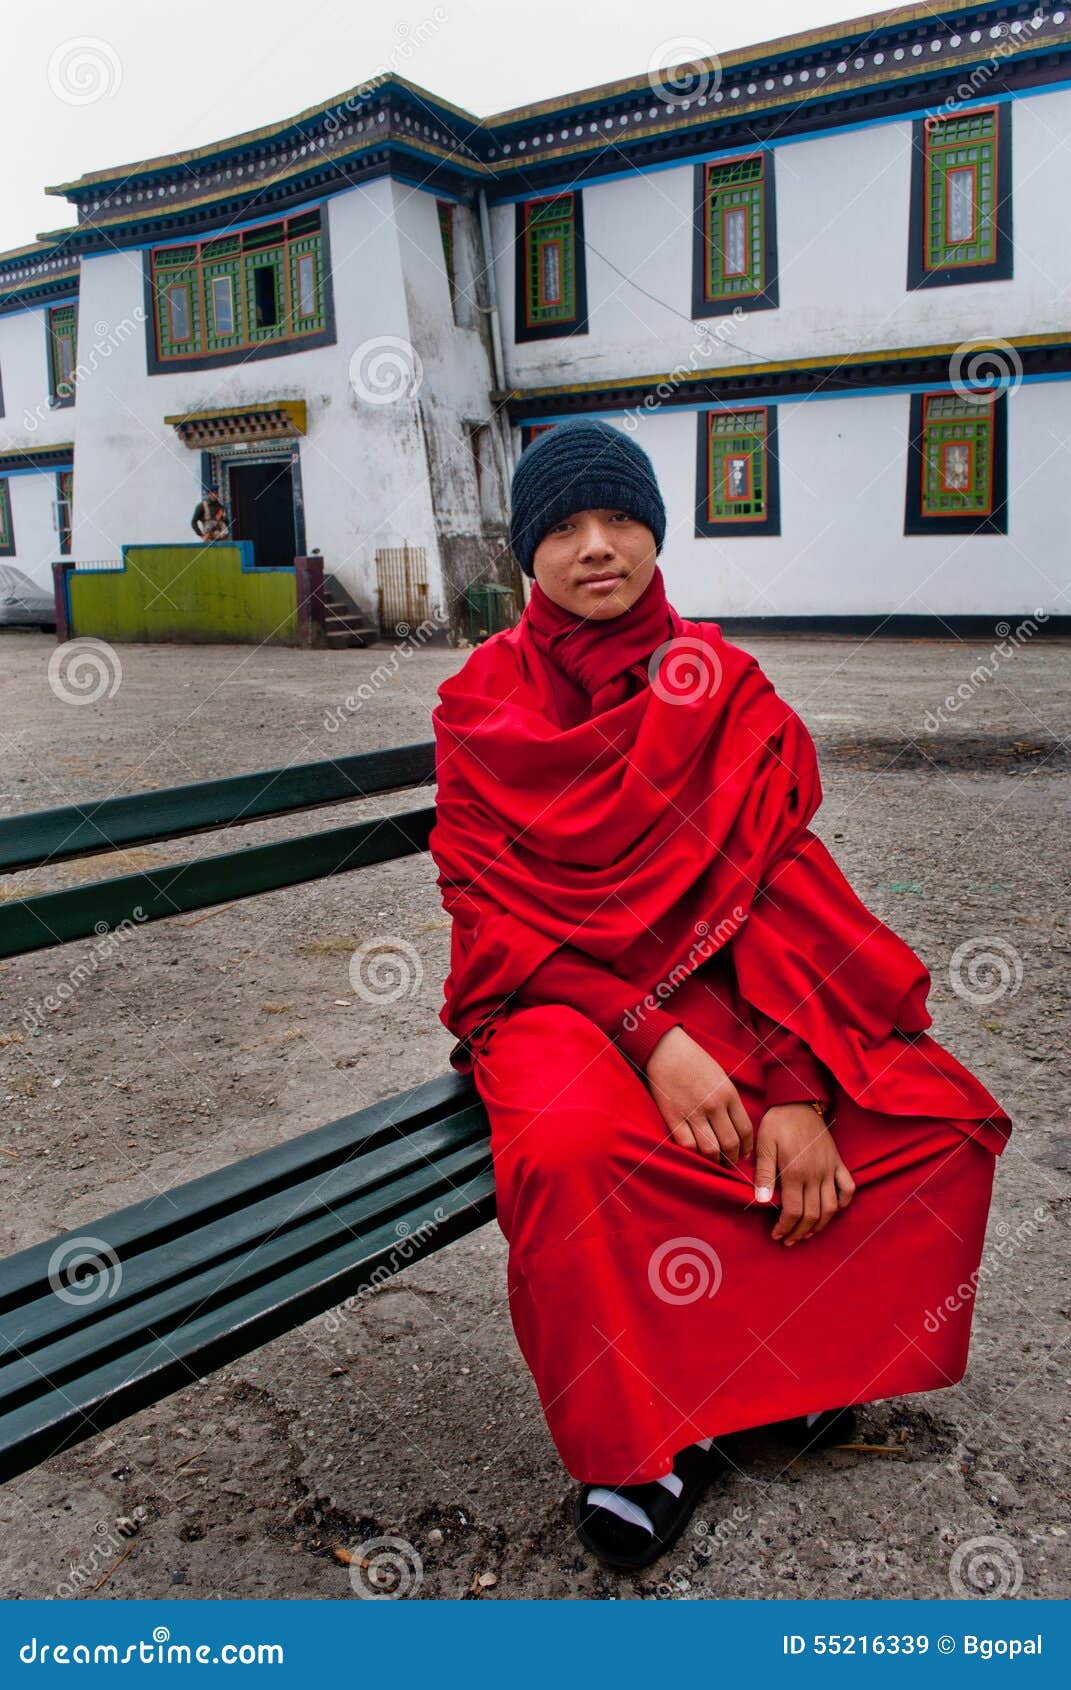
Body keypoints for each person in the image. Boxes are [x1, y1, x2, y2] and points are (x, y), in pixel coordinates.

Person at [427, 418, 1012, 1572]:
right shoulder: (481, 703)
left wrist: (794, 1081)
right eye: (565, 527)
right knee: (573, 1150)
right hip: (563, 995)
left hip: (732, 975)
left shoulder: (721, 684)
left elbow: (780, 883)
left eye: (623, 519)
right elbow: (494, 917)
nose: (599, 547)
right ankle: (638, 1446)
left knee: (933, 1123)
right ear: (525, 554)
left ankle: (763, 1382)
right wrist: (648, 1035)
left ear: (656, 531)